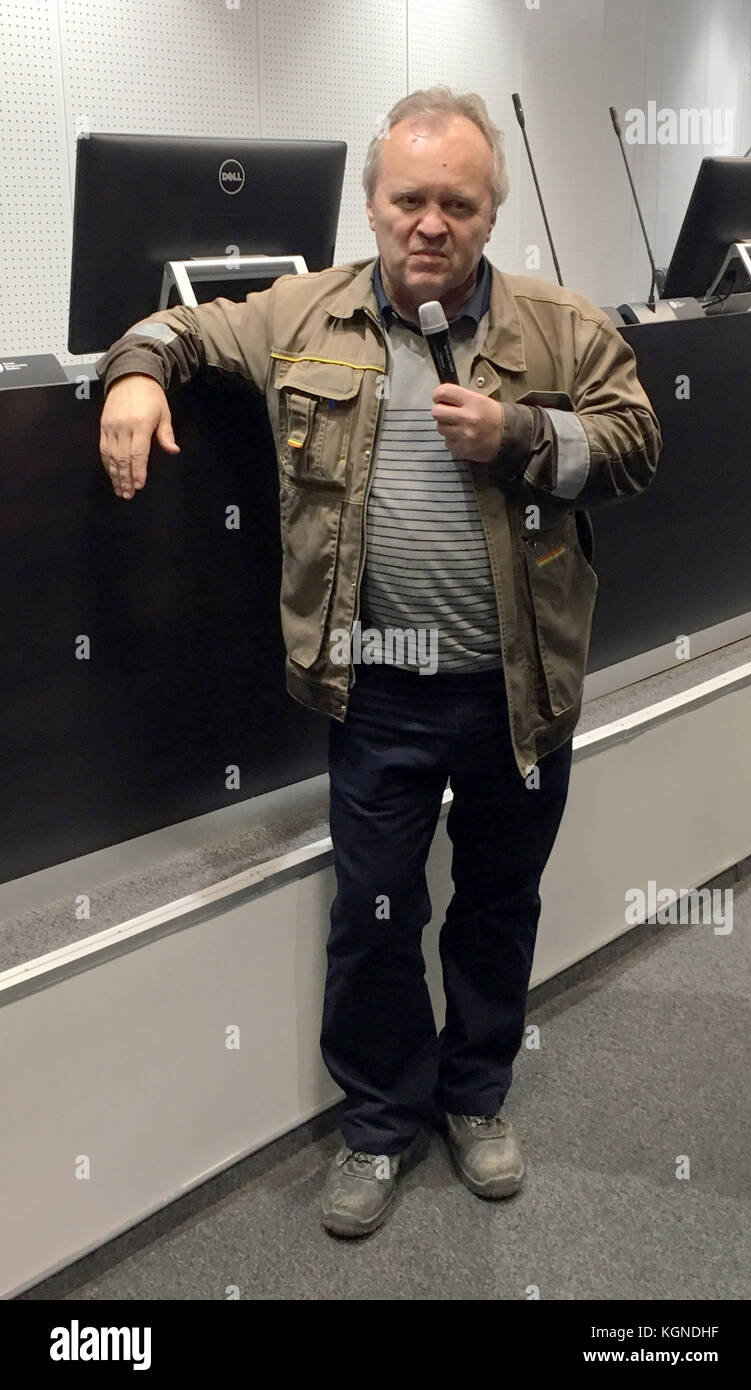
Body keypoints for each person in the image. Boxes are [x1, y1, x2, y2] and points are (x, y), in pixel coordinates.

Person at [96, 87, 662, 1240]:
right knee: (374, 913)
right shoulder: (303, 314)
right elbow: (176, 328)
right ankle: (378, 1121)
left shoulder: (559, 324)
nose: (430, 224)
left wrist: (522, 437)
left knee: (498, 905)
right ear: (372, 204)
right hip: (380, 688)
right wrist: (136, 375)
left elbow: (637, 441)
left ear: (490, 214)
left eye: (458, 202)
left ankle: (476, 1096)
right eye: (409, 199)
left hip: (522, 687)